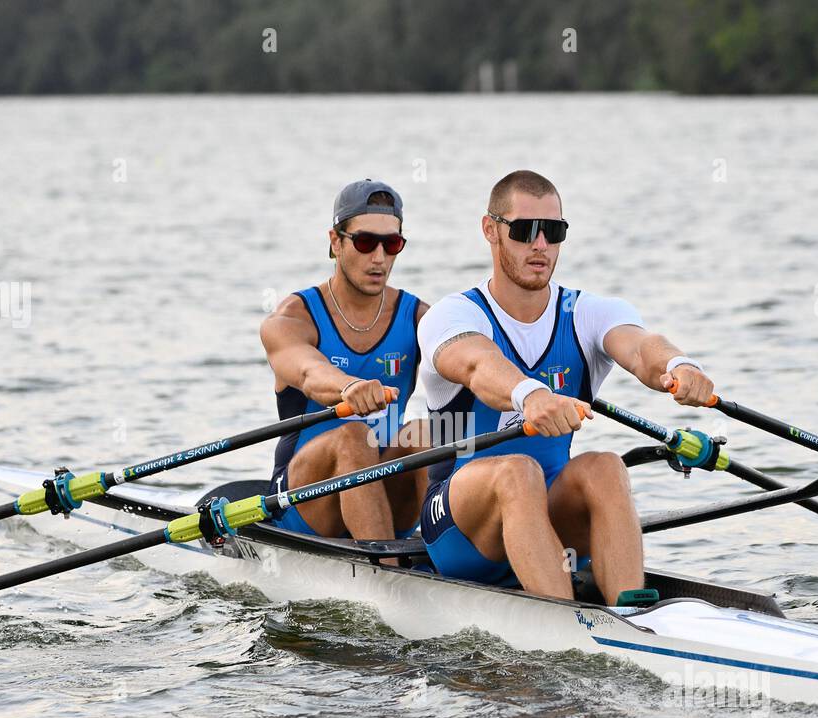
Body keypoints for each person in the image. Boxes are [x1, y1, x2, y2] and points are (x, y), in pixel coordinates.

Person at [417, 170, 715, 604]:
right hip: (459, 531)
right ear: (490, 231)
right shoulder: (452, 315)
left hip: (547, 516)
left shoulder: (587, 311)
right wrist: (529, 394)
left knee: (606, 466)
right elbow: (479, 365)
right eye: (524, 231)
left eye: (553, 232)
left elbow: (639, 347)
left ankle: (634, 616)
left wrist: (678, 364)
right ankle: (567, 625)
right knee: (517, 470)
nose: (540, 245)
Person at [260, 179, 430, 541]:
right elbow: (308, 372)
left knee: (428, 432)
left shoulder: (419, 317)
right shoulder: (294, 317)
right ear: (336, 242)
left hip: (383, 491)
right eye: (366, 242)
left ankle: (449, 558)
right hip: (302, 502)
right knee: (354, 435)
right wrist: (350, 387)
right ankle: (387, 571)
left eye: (392, 244)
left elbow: (471, 359)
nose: (380, 258)